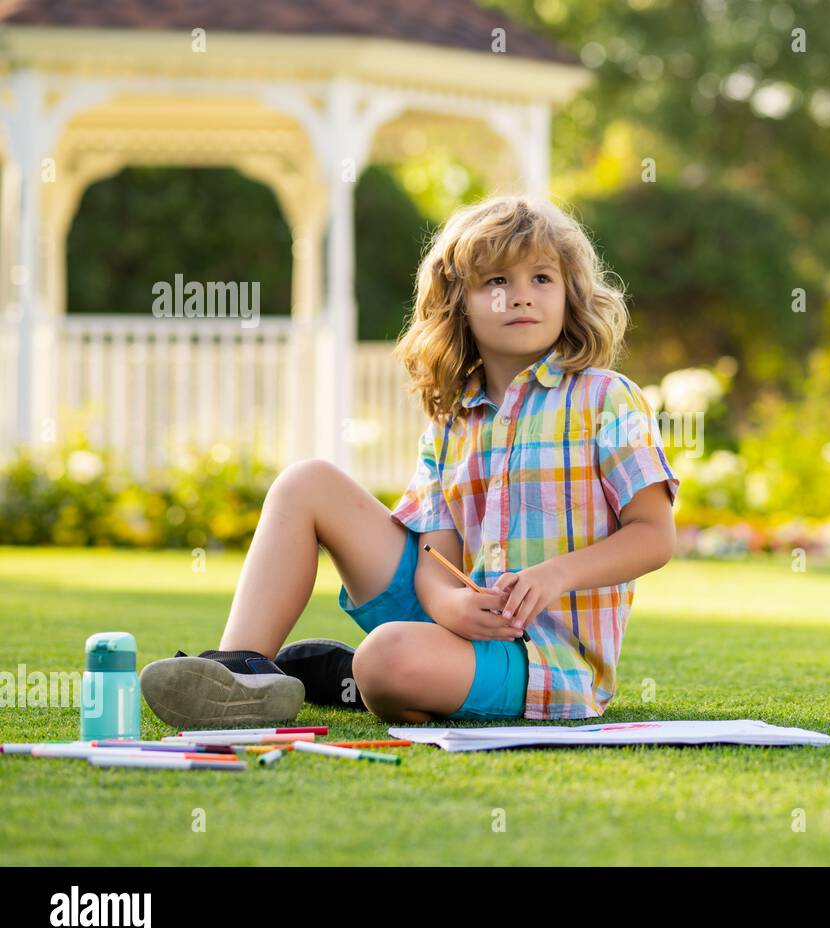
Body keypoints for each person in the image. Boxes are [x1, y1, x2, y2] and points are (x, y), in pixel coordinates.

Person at [141, 194, 679, 727]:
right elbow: (433, 556)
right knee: (307, 483)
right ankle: (241, 674)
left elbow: (654, 535)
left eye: (542, 278)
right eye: (497, 282)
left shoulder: (607, 398)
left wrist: (555, 575)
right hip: (454, 622)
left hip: (545, 660)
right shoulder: (452, 423)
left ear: (570, 295)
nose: (521, 297)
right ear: (459, 304)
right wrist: (447, 606)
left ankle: (366, 678)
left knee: (385, 659)